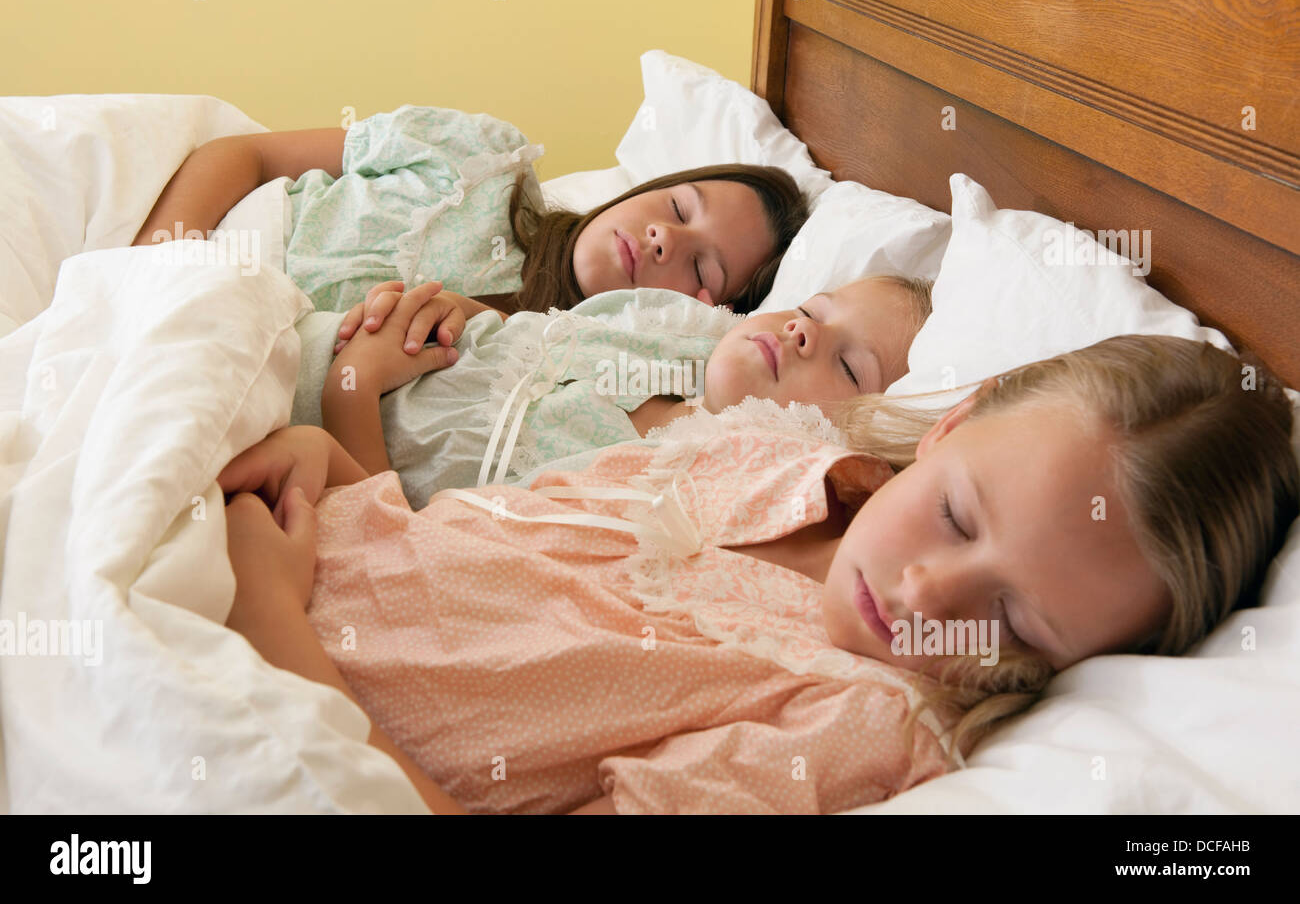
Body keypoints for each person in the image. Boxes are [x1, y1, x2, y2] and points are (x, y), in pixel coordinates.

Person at [218, 334, 1299, 814]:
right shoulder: (762, 446)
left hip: (266, 694)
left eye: (1015, 621)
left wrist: (273, 618)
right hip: (282, 541)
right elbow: (472, 551)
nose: (929, 597)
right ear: (955, 421)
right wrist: (340, 472)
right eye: (958, 513)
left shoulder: (859, 719)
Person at [291, 273, 931, 506]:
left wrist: (352, 388)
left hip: (314, 438)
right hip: (302, 335)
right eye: (814, 309)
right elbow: (515, 332)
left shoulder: (660, 486)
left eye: (850, 368)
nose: (801, 332)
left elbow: (397, 550)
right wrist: (443, 309)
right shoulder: (661, 323)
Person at [132, 105, 809, 315]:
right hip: (175, 259)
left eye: (703, 267)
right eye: (679, 207)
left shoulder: (543, 366)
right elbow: (239, 156)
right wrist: (140, 276)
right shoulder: (483, 159)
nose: (666, 238)